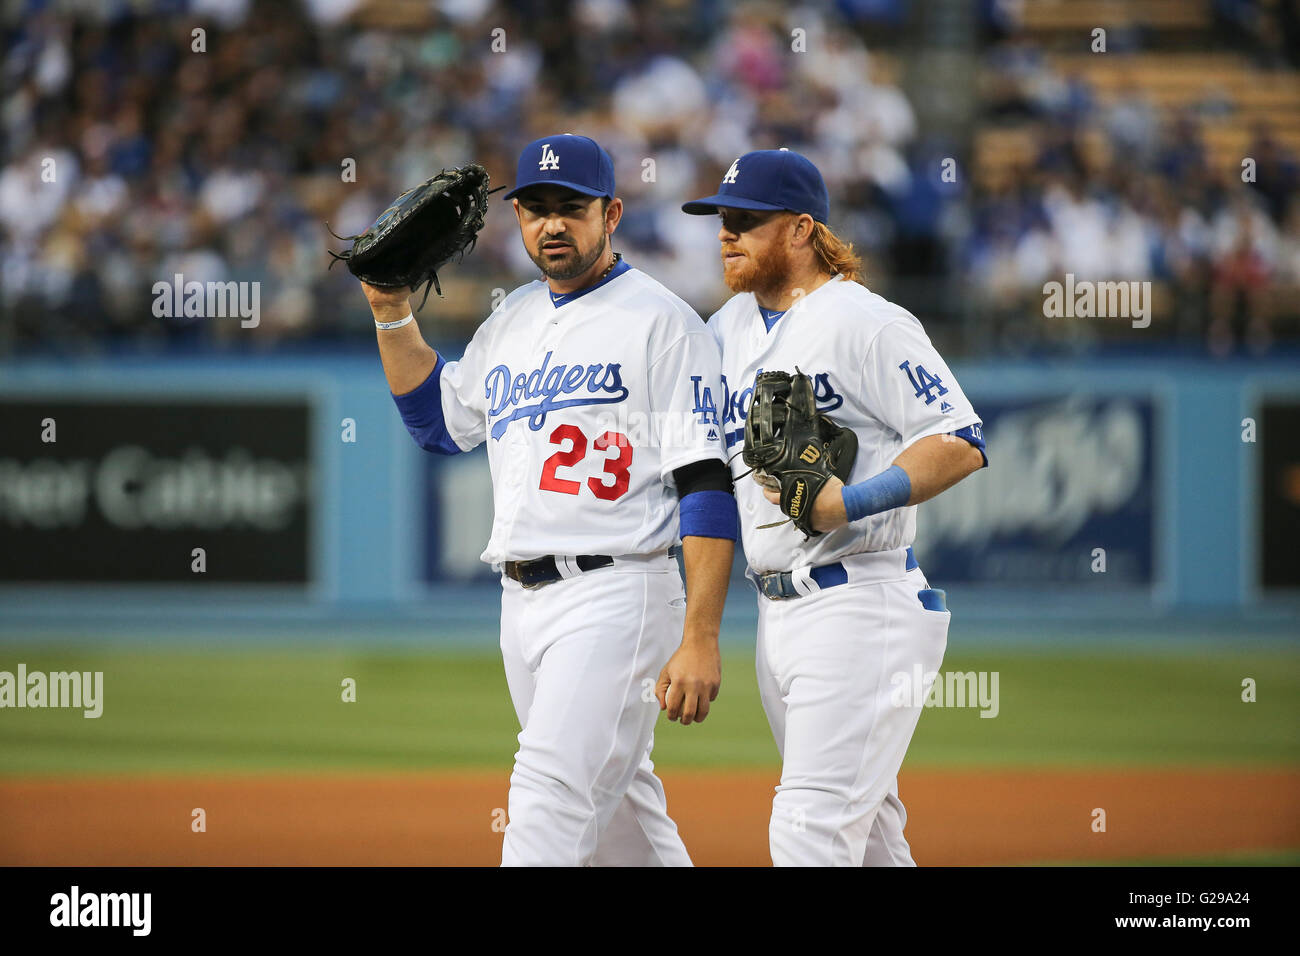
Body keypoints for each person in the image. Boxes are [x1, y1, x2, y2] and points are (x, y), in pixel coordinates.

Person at [360, 134, 738, 866]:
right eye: (536, 209)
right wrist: (390, 309)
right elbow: (440, 424)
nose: (552, 225)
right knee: (623, 822)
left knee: (546, 801)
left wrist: (701, 633)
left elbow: (705, 484)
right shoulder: (513, 319)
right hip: (522, 603)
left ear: (612, 213)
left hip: (619, 589)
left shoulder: (662, 321)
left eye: (571, 208)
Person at [682, 148, 988, 866]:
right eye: (722, 219)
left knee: (809, 830)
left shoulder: (864, 320)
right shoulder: (723, 330)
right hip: (777, 612)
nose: (727, 233)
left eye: (747, 221)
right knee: (872, 838)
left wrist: (848, 502)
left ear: (799, 229)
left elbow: (960, 439)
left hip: (859, 603)